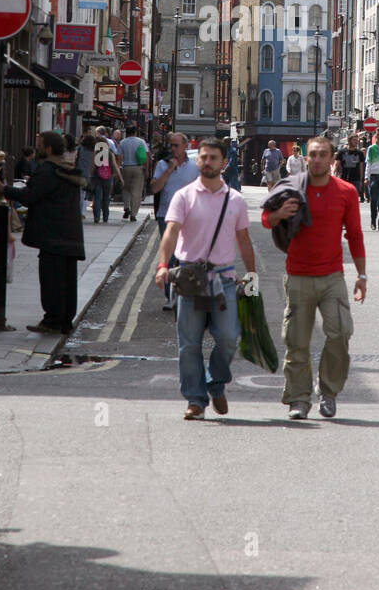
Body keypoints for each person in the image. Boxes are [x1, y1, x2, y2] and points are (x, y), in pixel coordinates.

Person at [262, 135, 366, 420]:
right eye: (313, 155)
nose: (318, 159)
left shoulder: (346, 192)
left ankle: (329, 392)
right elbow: (265, 219)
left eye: (323, 154)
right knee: (296, 341)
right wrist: (279, 214)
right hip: (298, 275)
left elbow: (355, 235)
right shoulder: (292, 188)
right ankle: (299, 399)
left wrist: (362, 275)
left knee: (340, 332)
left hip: (332, 276)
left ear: (333, 159)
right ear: (305, 158)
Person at [156, 138, 256, 420]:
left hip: (224, 279)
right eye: (203, 157)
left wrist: (252, 278)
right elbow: (171, 232)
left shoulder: (235, 200)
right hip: (190, 278)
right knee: (188, 344)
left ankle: (216, 382)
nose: (208, 162)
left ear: (224, 163)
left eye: (213, 157)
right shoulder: (184, 196)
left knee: (228, 338)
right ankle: (196, 399)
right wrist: (163, 265)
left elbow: (244, 241)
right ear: (198, 161)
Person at [2, 131, 86, 335]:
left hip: (52, 235)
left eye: (40, 144)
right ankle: (65, 321)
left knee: (51, 281)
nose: (37, 147)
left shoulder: (47, 170)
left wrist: (2, 188)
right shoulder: (69, 170)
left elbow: (29, 196)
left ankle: (52, 321)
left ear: (48, 148)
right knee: (66, 282)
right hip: (70, 236)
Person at [151, 132, 199, 308]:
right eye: (171, 145)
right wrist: (169, 171)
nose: (172, 148)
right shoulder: (162, 165)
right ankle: (170, 297)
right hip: (166, 216)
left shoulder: (195, 167)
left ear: (185, 146)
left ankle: (185, 295)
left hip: (189, 218)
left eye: (176, 145)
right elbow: (155, 188)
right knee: (170, 258)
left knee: (187, 257)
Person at [117, 124, 148, 221]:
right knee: (136, 191)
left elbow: (119, 158)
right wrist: (147, 170)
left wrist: (118, 169)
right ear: (135, 132)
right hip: (138, 168)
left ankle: (127, 207)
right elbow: (146, 156)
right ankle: (133, 213)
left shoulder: (122, 142)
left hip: (125, 167)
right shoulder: (141, 142)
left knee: (126, 188)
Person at [90, 133, 114, 224]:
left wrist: (90, 175)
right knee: (106, 198)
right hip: (107, 177)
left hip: (97, 177)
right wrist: (119, 177)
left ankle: (96, 217)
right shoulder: (110, 153)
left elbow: (92, 165)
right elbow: (114, 166)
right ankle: (105, 218)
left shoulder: (95, 152)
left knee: (97, 197)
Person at [334, 133, 364, 200]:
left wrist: (361, 180)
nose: (356, 142)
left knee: (353, 198)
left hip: (356, 179)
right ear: (349, 141)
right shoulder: (342, 152)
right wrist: (334, 173)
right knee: (344, 198)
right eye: (354, 140)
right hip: (344, 178)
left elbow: (361, 167)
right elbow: (336, 164)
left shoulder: (360, 153)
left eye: (357, 140)